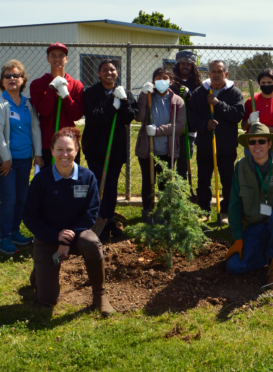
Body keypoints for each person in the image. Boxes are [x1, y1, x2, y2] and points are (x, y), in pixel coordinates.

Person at [23, 127, 114, 315]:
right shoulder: (41, 180)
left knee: (92, 243)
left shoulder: (87, 177)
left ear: (77, 150)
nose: (64, 154)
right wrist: (56, 236)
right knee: (48, 301)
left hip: (77, 233)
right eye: (59, 149)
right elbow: (30, 216)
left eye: (69, 149)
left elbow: (91, 212)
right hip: (48, 237)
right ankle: (40, 271)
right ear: (52, 151)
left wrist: (67, 239)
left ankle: (100, 295)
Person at [225, 123, 273, 289]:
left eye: (261, 141)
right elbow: (235, 204)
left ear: (269, 144)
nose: (257, 145)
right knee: (234, 266)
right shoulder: (241, 167)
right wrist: (238, 239)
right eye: (252, 142)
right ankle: (268, 252)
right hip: (255, 227)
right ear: (248, 145)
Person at [0, 60, 42, 255]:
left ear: (23, 80)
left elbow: (35, 129)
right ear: (2, 81)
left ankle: (14, 232)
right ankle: (3, 238)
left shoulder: (28, 103)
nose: (12, 79)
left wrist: (37, 154)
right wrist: (6, 159)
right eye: (8, 76)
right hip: (7, 163)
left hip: (25, 159)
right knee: (9, 199)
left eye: (16, 76)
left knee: (22, 197)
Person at [82, 59, 136, 237]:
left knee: (111, 185)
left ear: (117, 73)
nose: (109, 73)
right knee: (98, 184)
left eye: (112, 70)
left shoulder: (124, 92)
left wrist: (125, 100)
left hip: (116, 147)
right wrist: (113, 106)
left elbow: (128, 118)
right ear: (99, 73)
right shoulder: (90, 93)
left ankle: (109, 218)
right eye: (104, 70)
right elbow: (95, 117)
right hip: (96, 147)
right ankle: (98, 219)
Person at [188, 60, 245, 224]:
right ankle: (204, 210)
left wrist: (218, 104)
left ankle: (225, 211)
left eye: (219, 71)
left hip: (227, 146)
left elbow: (237, 115)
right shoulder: (200, 93)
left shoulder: (234, 93)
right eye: (213, 71)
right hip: (206, 146)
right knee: (203, 180)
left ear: (226, 74)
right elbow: (192, 118)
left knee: (228, 180)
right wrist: (205, 125)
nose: (216, 75)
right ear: (208, 74)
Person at [136, 68, 186, 224]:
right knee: (148, 183)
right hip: (148, 150)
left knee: (164, 183)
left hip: (167, 150)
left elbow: (179, 126)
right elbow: (139, 117)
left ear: (170, 81)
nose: (161, 81)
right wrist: (143, 96)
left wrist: (158, 130)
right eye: (158, 78)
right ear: (153, 82)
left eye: (165, 78)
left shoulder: (177, 101)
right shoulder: (149, 97)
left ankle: (161, 213)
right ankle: (147, 211)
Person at [29, 43, 85, 169]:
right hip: (47, 143)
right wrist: (51, 88)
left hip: (69, 143)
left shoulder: (77, 85)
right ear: (47, 59)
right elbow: (44, 111)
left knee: (69, 179)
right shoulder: (37, 84)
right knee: (48, 181)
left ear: (67, 58)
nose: (57, 59)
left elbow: (77, 115)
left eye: (61, 55)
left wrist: (66, 96)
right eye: (53, 55)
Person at [170, 50, 203, 182]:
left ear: (193, 66)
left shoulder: (197, 85)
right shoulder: (171, 83)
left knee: (184, 163)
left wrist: (191, 96)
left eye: (188, 64)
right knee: (169, 163)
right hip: (171, 129)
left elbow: (201, 107)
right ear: (178, 64)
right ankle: (168, 192)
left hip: (189, 130)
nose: (185, 66)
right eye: (182, 63)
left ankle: (182, 193)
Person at [242, 68, 273, 155]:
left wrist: (260, 128)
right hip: (253, 144)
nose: (266, 85)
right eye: (263, 83)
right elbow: (244, 127)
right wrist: (249, 121)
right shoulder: (251, 101)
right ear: (259, 84)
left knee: (271, 168)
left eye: (269, 82)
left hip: (271, 145)